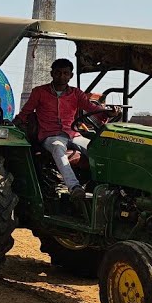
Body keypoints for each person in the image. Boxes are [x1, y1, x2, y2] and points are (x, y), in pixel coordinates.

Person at [15, 58, 112, 204]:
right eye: (58, 73)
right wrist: (14, 123)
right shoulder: (39, 92)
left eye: (65, 73)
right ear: (52, 74)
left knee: (95, 148)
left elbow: (92, 109)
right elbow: (25, 112)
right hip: (50, 135)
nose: (62, 76)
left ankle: (105, 187)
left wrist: (108, 112)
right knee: (58, 148)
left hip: (72, 134)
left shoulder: (76, 94)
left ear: (71, 75)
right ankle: (75, 187)